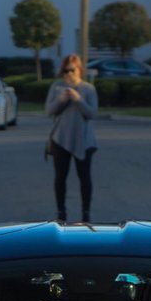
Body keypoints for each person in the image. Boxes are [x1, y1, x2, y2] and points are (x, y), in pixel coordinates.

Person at [46, 54, 98, 223]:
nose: (69, 73)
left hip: (84, 141)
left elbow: (92, 113)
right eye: (66, 70)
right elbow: (49, 110)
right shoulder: (57, 87)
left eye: (72, 70)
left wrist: (78, 99)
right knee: (60, 177)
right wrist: (61, 100)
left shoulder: (88, 88)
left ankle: (86, 214)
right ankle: (61, 213)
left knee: (85, 177)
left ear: (79, 70)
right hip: (60, 139)